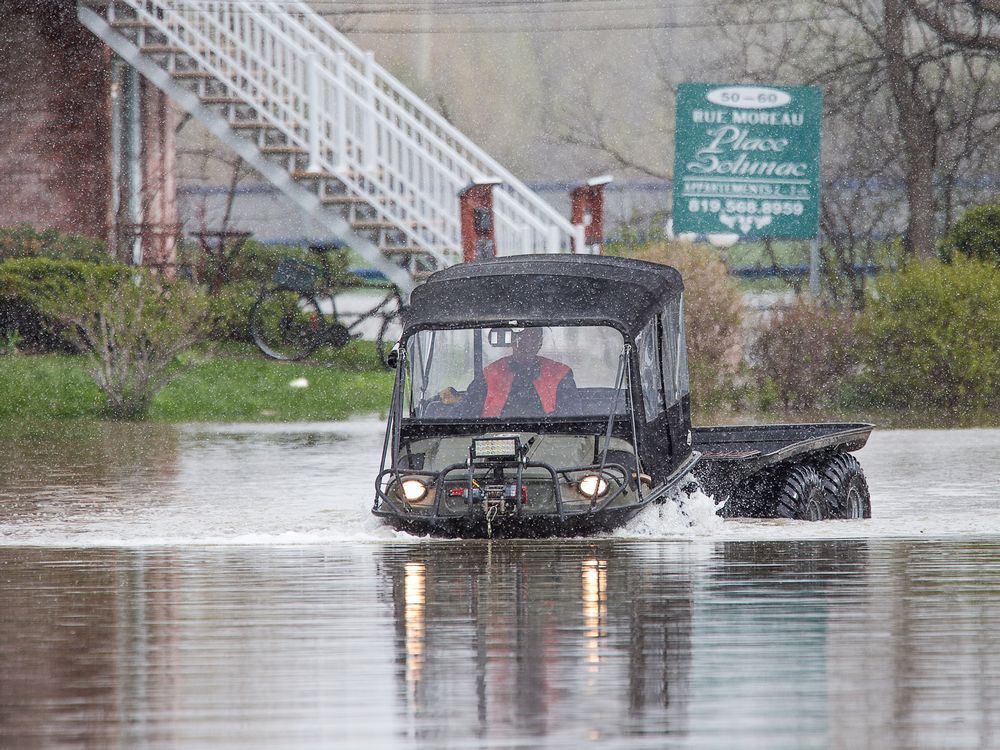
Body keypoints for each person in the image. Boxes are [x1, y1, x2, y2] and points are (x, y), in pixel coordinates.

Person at [446, 327, 581, 418]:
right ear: (511, 341)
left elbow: (571, 419)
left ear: (540, 342)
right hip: (492, 440)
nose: (526, 344)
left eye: (532, 338)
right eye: (521, 339)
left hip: (548, 441)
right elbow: (465, 415)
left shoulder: (559, 374)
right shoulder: (489, 374)